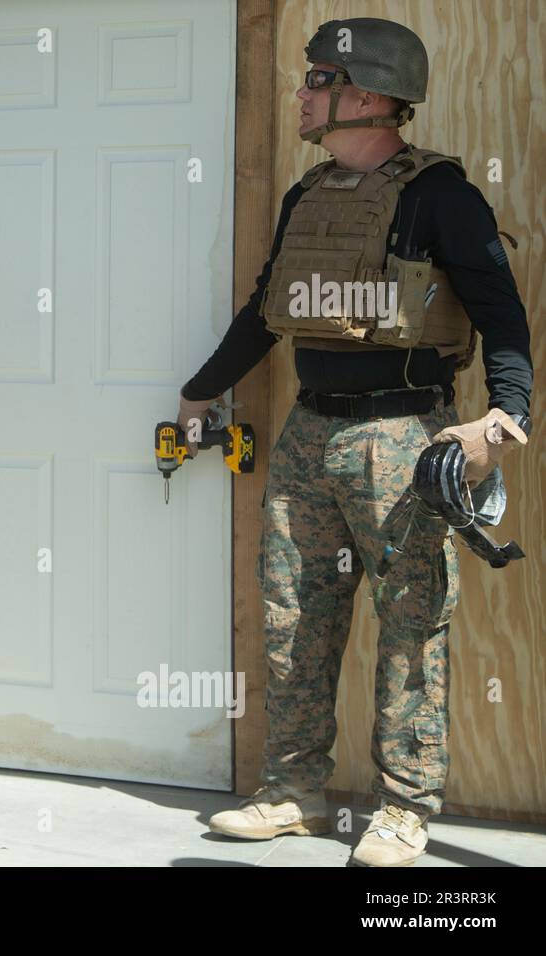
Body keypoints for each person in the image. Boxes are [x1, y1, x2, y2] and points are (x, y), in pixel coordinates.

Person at [182, 18, 532, 866]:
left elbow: (503, 317)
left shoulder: (443, 196)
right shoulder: (309, 195)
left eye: (315, 79)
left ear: (368, 97)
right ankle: (293, 794)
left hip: (403, 435)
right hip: (309, 432)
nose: (299, 94)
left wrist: (502, 419)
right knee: (292, 617)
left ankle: (406, 810)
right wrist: (201, 389)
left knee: (413, 624)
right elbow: (268, 307)